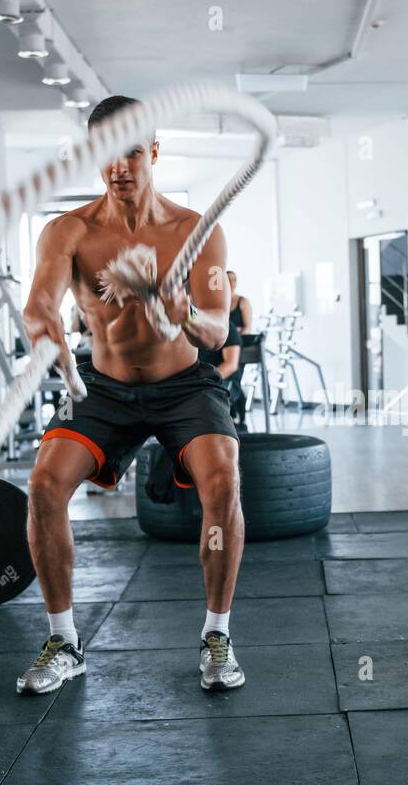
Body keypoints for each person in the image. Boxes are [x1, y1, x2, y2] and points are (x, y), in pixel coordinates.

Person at [18, 94, 245, 695]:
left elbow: (219, 329)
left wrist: (185, 314)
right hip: (104, 386)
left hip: (184, 385)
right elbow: (40, 299)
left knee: (223, 477)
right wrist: (44, 331)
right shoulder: (69, 231)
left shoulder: (196, 232)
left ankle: (216, 636)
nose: (119, 167)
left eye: (132, 154)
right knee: (43, 485)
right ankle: (64, 640)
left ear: (154, 153)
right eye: (107, 155)